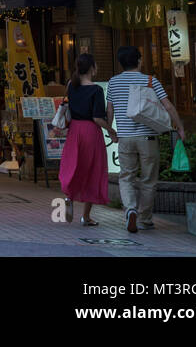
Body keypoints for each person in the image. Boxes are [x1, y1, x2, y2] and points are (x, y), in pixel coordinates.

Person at [107, 45, 186, 233]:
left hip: (125, 138)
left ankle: (131, 209)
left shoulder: (114, 82)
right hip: (148, 137)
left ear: (121, 63)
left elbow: (109, 109)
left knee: (126, 176)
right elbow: (167, 106)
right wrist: (180, 128)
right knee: (148, 179)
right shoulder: (151, 81)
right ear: (139, 61)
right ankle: (144, 219)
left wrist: (111, 131)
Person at [59, 53, 118, 226]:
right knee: (92, 171)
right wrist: (111, 130)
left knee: (74, 166)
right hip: (91, 132)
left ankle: (69, 197)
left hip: (74, 130)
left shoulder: (71, 85)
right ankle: (86, 216)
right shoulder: (96, 90)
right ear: (92, 68)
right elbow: (97, 118)